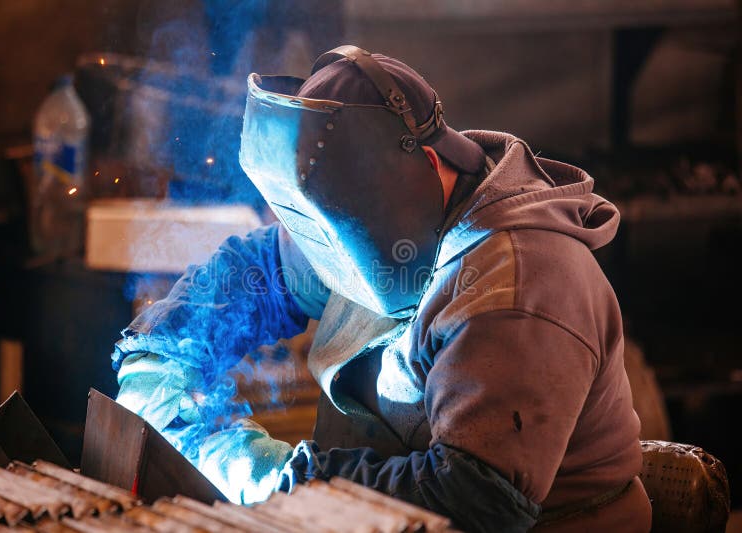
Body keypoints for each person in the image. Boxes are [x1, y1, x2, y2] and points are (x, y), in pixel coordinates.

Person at [112, 45, 652, 532]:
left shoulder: (519, 285)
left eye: (342, 226)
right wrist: (162, 351)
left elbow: (473, 500)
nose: (331, 250)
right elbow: (262, 269)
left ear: (427, 167)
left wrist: (270, 476)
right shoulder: (375, 218)